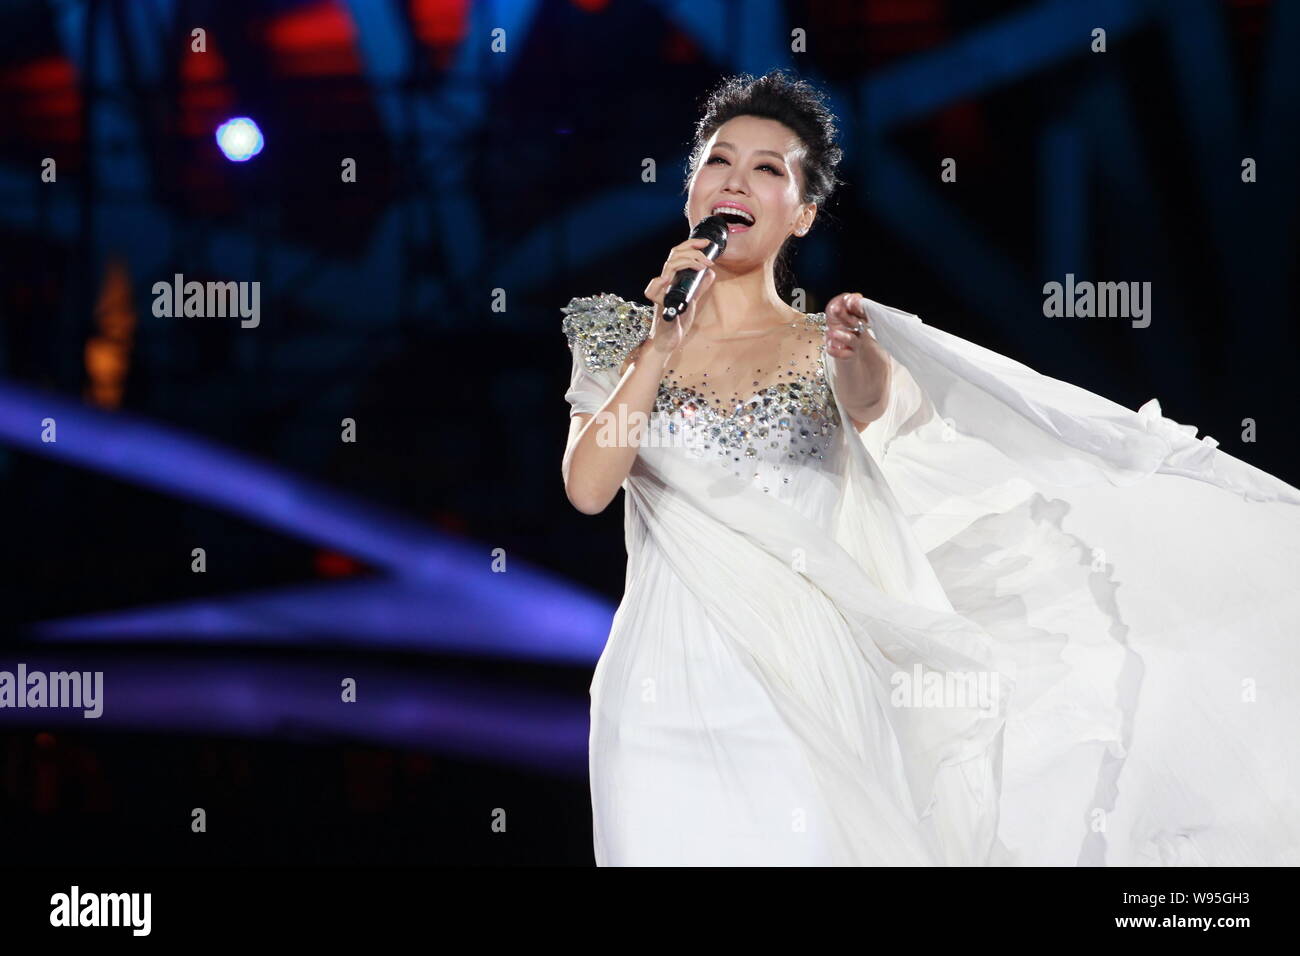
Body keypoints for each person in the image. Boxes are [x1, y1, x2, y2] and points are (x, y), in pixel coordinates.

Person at [560, 70, 1300, 866]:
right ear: (692, 192)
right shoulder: (616, 335)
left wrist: (858, 361)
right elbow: (589, 486)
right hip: (656, 690)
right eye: (720, 161)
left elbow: (872, 401)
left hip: (804, 680)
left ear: (802, 214)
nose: (737, 179)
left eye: (770, 169)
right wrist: (661, 345)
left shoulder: (830, 345)